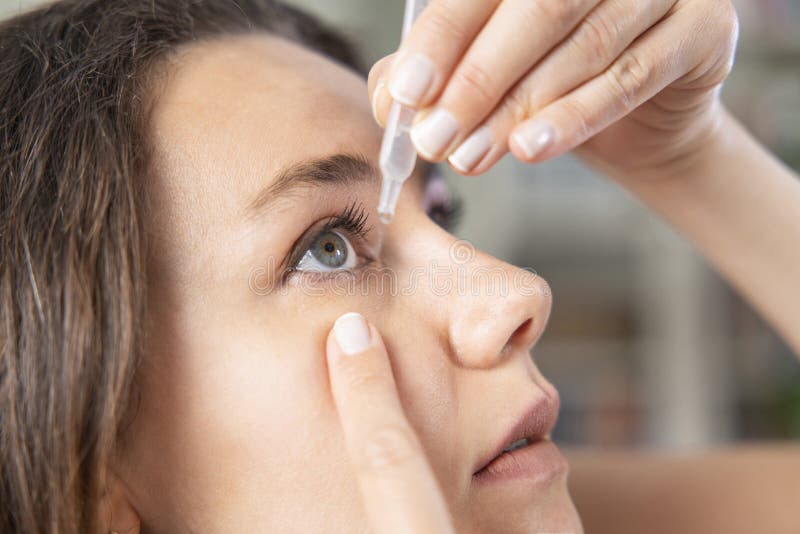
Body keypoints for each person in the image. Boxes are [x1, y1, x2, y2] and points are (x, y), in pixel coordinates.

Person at [0, 1, 797, 534]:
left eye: (443, 212)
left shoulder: (522, 498)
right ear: (96, 493)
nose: (516, 294)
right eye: (328, 248)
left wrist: (690, 158)